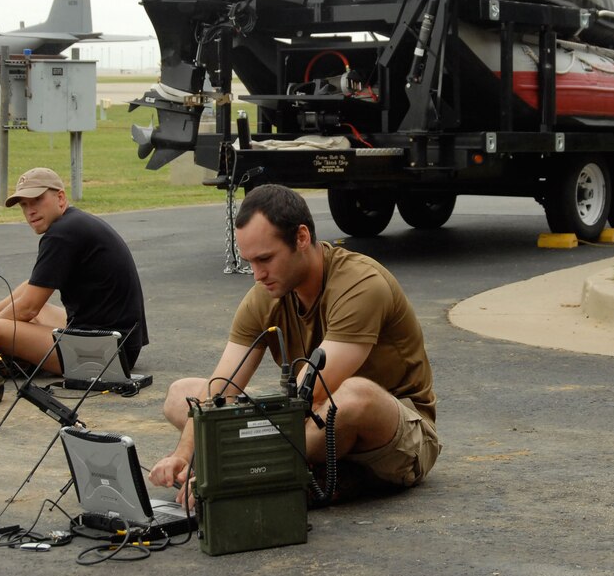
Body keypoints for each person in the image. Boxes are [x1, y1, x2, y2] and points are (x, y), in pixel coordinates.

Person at [149, 184, 438, 501]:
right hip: (314, 423)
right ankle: (314, 473)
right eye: (250, 262)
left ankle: (269, 473)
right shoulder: (267, 292)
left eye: (265, 259)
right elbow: (222, 387)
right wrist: (187, 453)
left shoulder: (361, 283)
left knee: (353, 396)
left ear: (301, 238)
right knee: (182, 394)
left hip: (399, 437)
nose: (257, 274)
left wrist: (227, 467)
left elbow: (306, 395)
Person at [0, 167, 148, 375]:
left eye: (36, 200)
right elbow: (30, 288)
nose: (29, 211)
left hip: (106, 355)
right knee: (18, 310)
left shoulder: (61, 234)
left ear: (60, 197)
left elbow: (28, 309)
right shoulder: (73, 222)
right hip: (121, 341)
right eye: (24, 205)